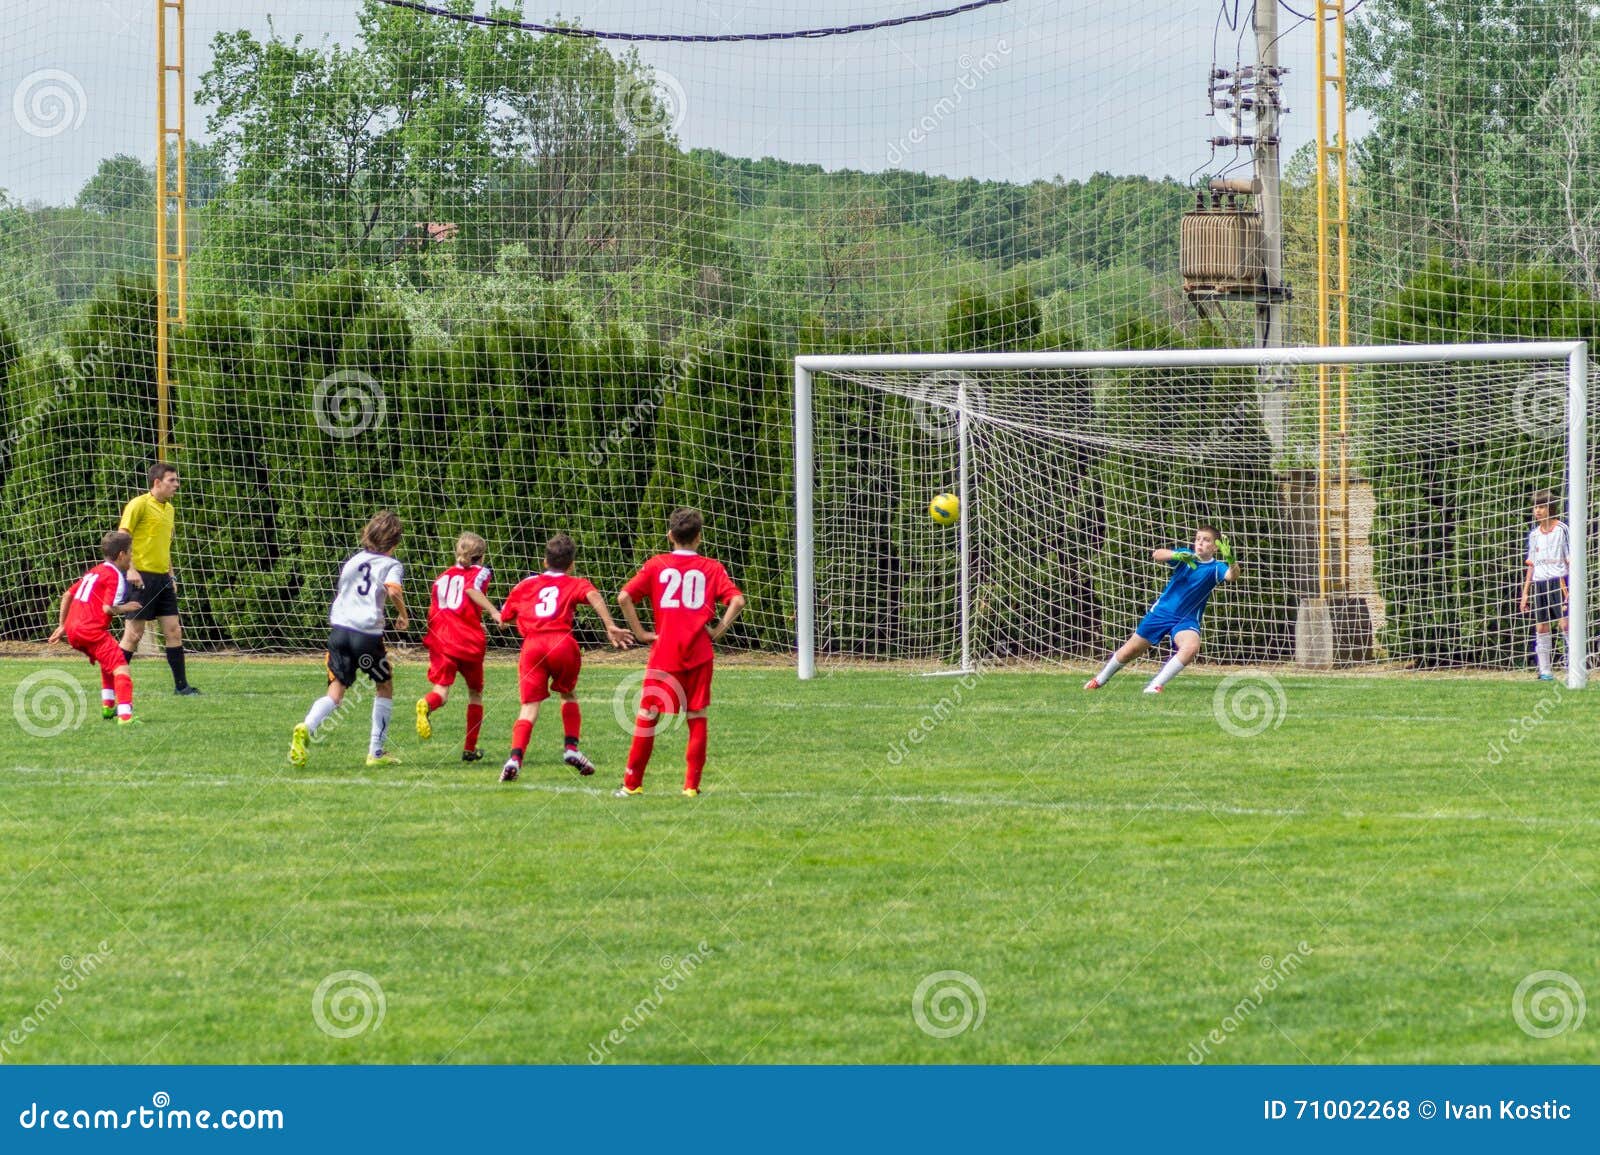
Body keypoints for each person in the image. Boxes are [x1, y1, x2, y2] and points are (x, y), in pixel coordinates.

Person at [615, 508, 746, 797]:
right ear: (699, 537)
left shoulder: (656, 564)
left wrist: (640, 634)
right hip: (699, 651)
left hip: (665, 651)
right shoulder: (712, 567)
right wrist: (718, 630)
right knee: (697, 715)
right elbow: (737, 600)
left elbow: (624, 597)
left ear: (670, 536)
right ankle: (690, 787)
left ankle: (632, 784)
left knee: (647, 713)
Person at [497, 533, 633, 783]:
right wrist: (610, 625)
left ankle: (515, 758)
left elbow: (504, 617)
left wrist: (511, 619)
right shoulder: (575, 582)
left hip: (533, 645)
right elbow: (592, 595)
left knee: (529, 707)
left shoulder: (526, 585)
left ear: (544, 562)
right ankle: (571, 748)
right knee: (568, 694)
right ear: (571, 565)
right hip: (562, 643)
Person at [288, 511, 409, 767]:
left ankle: (306, 727)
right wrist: (403, 614)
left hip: (340, 631)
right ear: (395, 542)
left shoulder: (353, 561)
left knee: (335, 692)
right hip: (366, 635)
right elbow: (393, 589)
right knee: (384, 685)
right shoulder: (391, 565)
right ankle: (376, 752)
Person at [1084, 525, 1238, 694]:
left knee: (1191, 647)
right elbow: (1157, 554)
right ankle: (1100, 679)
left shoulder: (1216, 567)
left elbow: (1232, 576)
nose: (1200, 542)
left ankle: (1155, 685)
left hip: (1186, 619)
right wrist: (1176, 555)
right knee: (1131, 650)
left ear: (1215, 547)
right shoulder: (1185, 556)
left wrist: (1231, 560)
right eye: (1198, 538)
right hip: (1161, 613)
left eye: (1206, 540)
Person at [416, 532, 502, 761]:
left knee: (441, 692)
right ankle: (469, 749)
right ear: (480, 557)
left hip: (442, 640)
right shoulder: (482, 572)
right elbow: (472, 590)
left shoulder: (441, 578)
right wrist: (493, 612)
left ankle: (427, 704)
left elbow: (435, 611)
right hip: (467, 641)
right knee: (475, 693)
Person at [117, 462, 199, 695]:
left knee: (173, 631)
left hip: (162, 578)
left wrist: (171, 575)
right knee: (133, 635)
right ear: (157, 483)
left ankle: (182, 687)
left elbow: (165, 546)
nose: (177, 485)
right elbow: (123, 537)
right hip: (140, 577)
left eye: (177, 480)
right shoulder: (138, 505)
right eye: (172, 480)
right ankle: (113, 685)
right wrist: (130, 569)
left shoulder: (170, 510)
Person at [47, 529, 143, 724]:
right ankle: (125, 717)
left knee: (108, 663)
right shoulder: (114, 575)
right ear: (122, 554)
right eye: (131, 552)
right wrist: (127, 607)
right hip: (90, 630)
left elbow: (67, 595)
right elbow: (108, 608)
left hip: (74, 630)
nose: (132, 556)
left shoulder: (95, 571)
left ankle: (108, 709)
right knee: (121, 668)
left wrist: (62, 625)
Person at [1519, 491, 1570, 682]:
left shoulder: (1562, 529)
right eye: (1535, 507)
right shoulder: (1534, 535)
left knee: (1565, 625)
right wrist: (1525, 593)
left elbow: (1570, 557)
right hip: (1539, 584)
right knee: (1541, 628)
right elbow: (1531, 565)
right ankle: (1545, 671)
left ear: (1550, 508)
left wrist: (1573, 587)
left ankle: (1573, 668)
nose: (1537, 511)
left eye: (1541, 506)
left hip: (1559, 582)